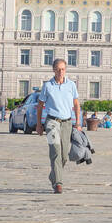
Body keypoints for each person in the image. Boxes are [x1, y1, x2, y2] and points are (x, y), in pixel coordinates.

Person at [36, 58, 81, 194]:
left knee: (64, 156)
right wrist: (39, 124)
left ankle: (53, 175)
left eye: (63, 69)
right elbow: (40, 106)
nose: (61, 72)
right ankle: (58, 183)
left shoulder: (71, 85)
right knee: (55, 151)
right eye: (58, 69)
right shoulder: (48, 86)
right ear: (53, 70)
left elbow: (76, 104)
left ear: (65, 70)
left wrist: (77, 123)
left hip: (67, 122)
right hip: (51, 122)